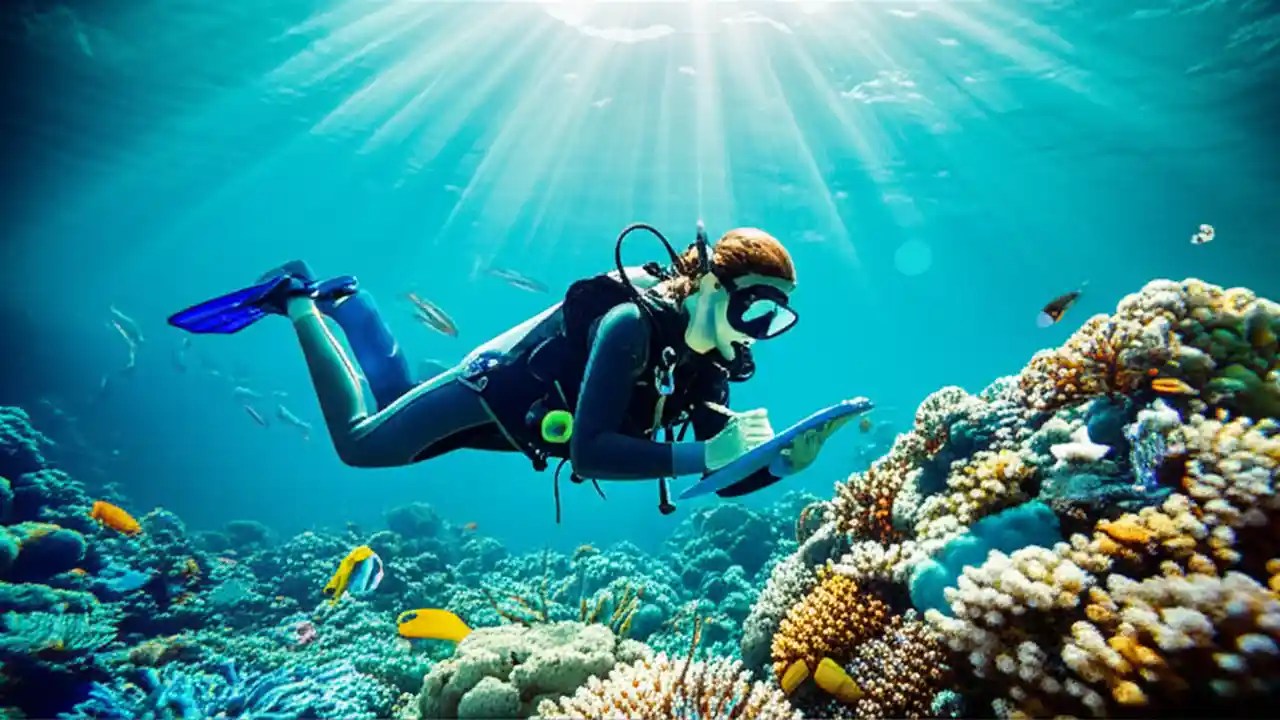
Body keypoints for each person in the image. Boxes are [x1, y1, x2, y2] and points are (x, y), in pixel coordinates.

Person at [168, 223, 852, 519]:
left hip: (534, 423)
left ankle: (350, 301)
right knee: (363, 444)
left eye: (777, 321)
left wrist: (783, 463)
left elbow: (713, 479)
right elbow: (590, 453)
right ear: (706, 284)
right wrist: (707, 449)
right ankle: (296, 300)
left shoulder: (711, 368)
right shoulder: (630, 326)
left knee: (402, 398)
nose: (761, 332)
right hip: (498, 386)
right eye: (758, 308)